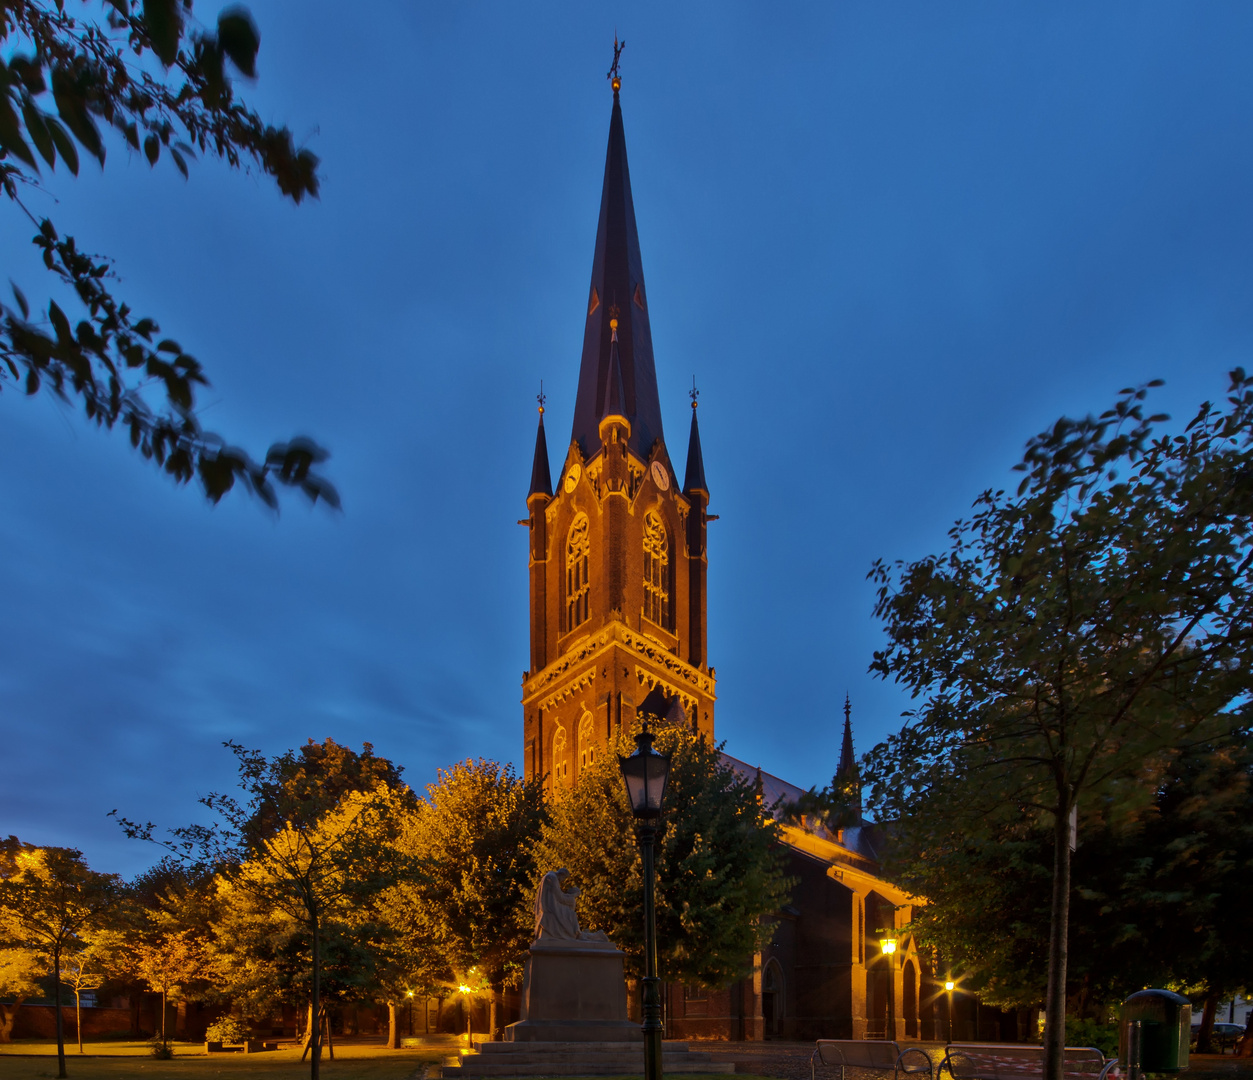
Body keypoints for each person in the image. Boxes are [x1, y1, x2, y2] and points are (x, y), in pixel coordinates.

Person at [533, 868, 610, 943]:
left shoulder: (549, 875)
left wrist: (569, 897)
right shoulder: (552, 878)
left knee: (571, 909)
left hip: (551, 905)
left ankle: (582, 934)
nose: (563, 880)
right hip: (552, 907)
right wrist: (572, 896)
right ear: (562, 874)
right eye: (564, 878)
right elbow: (559, 897)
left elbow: (558, 895)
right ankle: (582, 934)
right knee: (571, 910)